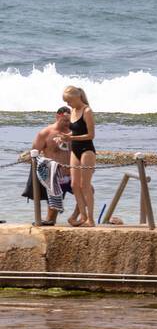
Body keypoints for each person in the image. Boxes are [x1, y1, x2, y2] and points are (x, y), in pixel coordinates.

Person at [23, 107, 74, 225]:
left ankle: (74, 218)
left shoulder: (73, 133)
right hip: (55, 176)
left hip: (73, 174)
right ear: (58, 116)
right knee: (53, 210)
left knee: (89, 192)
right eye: (65, 120)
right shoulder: (45, 133)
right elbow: (34, 154)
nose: (67, 123)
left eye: (69, 121)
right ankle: (49, 224)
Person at [56, 87, 96, 227]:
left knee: (85, 185)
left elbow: (91, 135)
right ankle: (83, 216)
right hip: (75, 149)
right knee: (74, 185)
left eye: (69, 101)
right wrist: (65, 137)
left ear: (76, 97)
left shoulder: (87, 111)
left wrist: (72, 137)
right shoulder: (72, 111)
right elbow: (73, 132)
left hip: (87, 149)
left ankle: (91, 219)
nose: (68, 104)